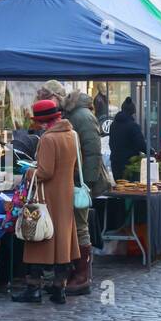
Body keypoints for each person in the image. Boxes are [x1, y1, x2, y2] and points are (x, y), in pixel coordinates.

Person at [12, 99, 80, 305]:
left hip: (46, 198)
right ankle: (59, 288)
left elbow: (45, 172)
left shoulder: (48, 139)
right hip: (65, 197)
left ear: (43, 122)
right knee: (62, 245)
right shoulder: (72, 134)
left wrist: (28, 170)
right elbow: (75, 167)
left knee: (37, 241)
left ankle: (33, 288)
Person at [64, 90, 105, 295]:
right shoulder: (75, 115)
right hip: (76, 179)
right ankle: (77, 272)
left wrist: (86, 182)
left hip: (80, 181)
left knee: (81, 226)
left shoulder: (83, 116)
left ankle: (82, 276)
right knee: (77, 225)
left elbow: (93, 152)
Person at [108, 96, 148, 181]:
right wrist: (150, 151)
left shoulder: (113, 125)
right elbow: (140, 144)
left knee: (119, 188)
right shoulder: (133, 126)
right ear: (132, 112)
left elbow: (111, 143)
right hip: (129, 164)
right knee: (130, 190)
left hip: (115, 162)